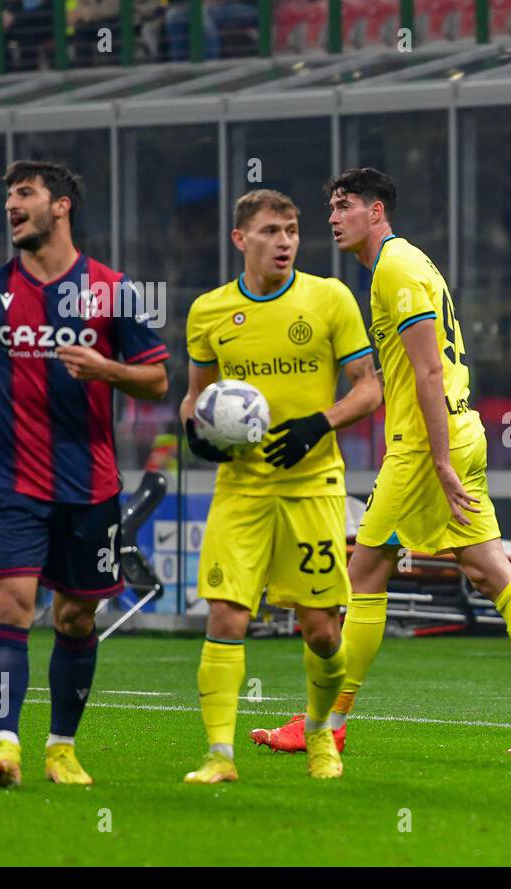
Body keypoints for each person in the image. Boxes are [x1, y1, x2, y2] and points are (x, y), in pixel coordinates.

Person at [254, 167, 511, 756]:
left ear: (376, 211)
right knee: (489, 569)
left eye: (343, 205)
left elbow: (429, 368)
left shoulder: (397, 268)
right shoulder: (406, 264)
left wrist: (436, 460)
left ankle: (324, 724)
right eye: (330, 207)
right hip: (461, 431)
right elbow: (413, 372)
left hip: (426, 447)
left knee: (363, 574)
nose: (332, 218)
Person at [0, 159, 170, 788]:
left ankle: (62, 747)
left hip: (90, 486)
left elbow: (156, 379)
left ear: (61, 206)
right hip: (12, 480)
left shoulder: (112, 290)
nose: (12, 205)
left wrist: (108, 371)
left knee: (75, 619)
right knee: (11, 606)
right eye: (8, 196)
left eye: (25, 194)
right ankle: (5, 743)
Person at [179, 189, 381, 785]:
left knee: (321, 630)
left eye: (292, 230)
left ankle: (320, 734)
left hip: (313, 484)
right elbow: (196, 394)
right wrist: (194, 430)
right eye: (271, 231)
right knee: (226, 617)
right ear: (241, 240)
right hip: (240, 488)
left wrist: (318, 424)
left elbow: (369, 388)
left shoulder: (329, 298)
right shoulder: (209, 311)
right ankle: (220, 754)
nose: (286, 241)